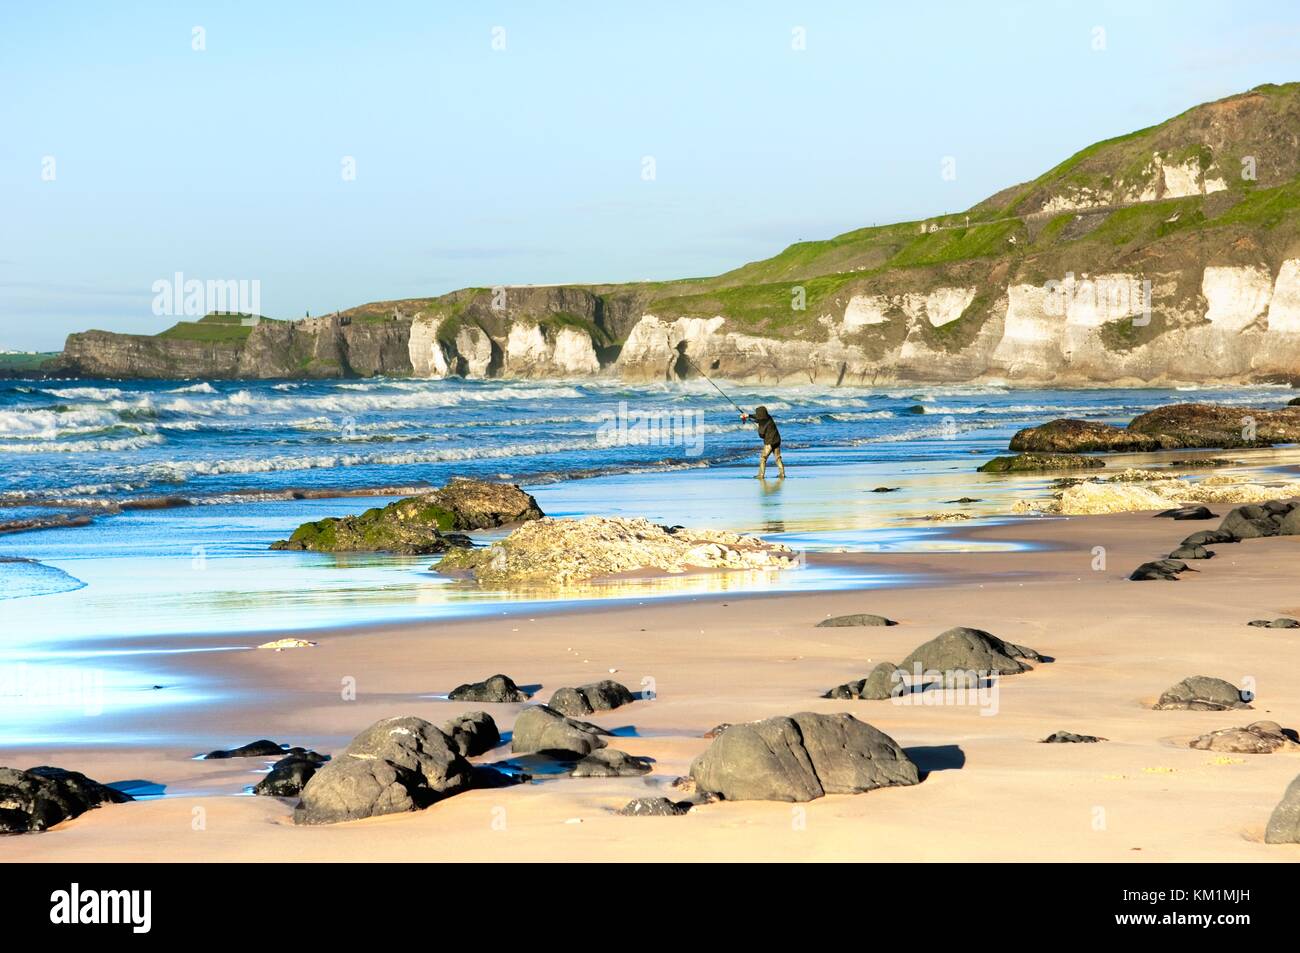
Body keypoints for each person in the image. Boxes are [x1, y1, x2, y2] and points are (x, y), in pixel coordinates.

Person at [740, 405, 784, 479]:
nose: (757, 414)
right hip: (777, 440)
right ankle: (782, 474)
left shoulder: (763, 423)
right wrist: (748, 416)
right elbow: (758, 418)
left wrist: (749, 418)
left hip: (770, 442)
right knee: (778, 458)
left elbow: (761, 434)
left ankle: (761, 475)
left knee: (763, 458)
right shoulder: (768, 417)